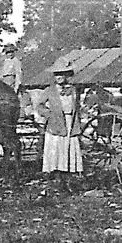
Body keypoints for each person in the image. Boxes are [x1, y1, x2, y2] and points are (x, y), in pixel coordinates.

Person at [34, 59, 84, 190]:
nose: (59, 77)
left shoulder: (73, 90)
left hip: (70, 124)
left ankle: (68, 181)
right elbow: (39, 106)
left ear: (67, 75)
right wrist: (49, 115)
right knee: (57, 151)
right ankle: (58, 181)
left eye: (62, 74)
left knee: (68, 150)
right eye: (57, 74)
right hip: (56, 125)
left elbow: (77, 107)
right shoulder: (49, 90)